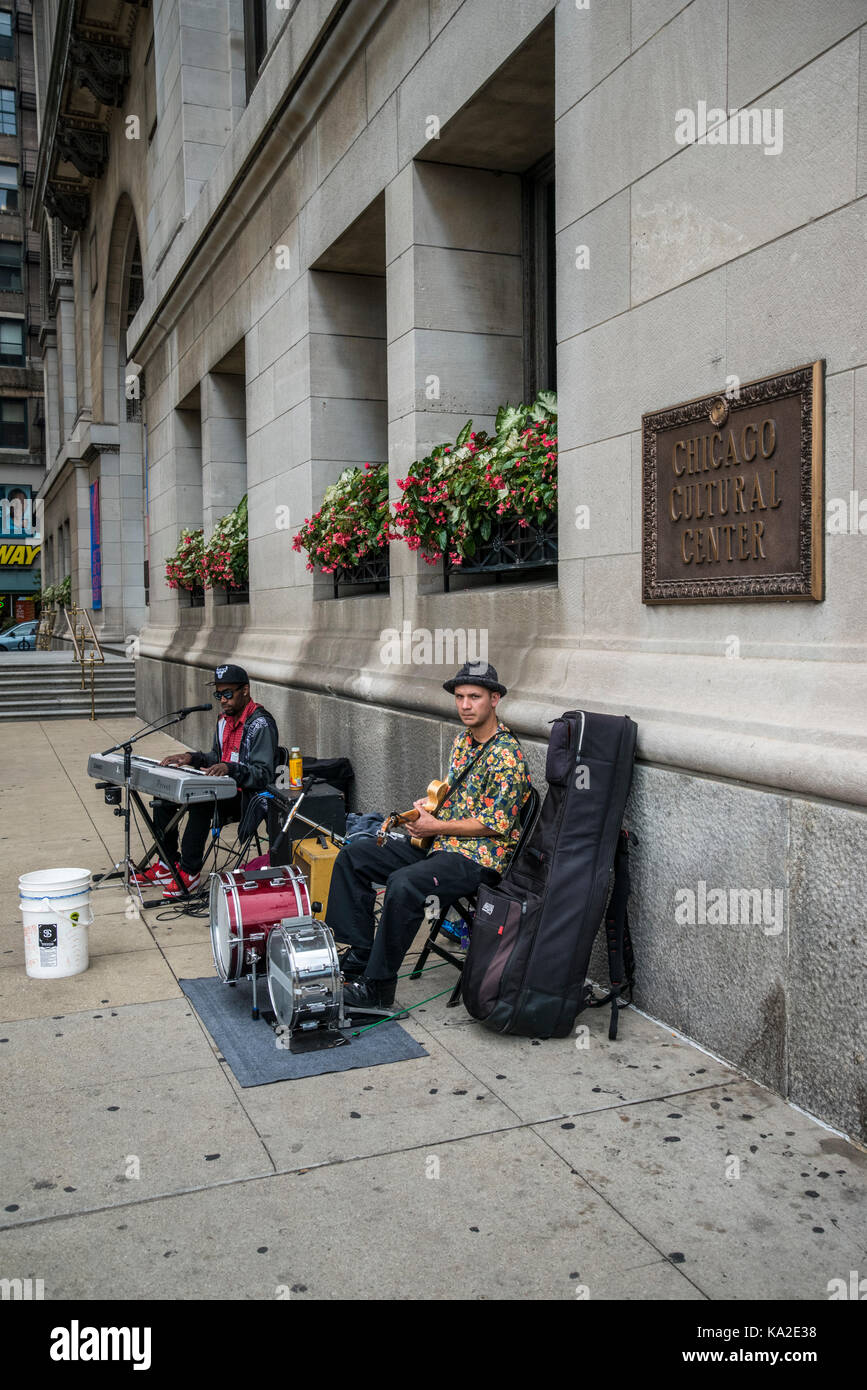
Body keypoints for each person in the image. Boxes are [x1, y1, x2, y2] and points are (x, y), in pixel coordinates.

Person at [328, 662, 531, 1010]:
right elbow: (457, 797)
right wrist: (431, 808)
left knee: (405, 884)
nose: (465, 705)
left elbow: (493, 824)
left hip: (478, 858)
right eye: (460, 697)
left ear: (495, 699)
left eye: (475, 697)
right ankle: (361, 955)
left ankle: (377, 988)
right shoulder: (463, 742)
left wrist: (435, 826)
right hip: (440, 844)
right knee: (354, 855)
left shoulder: (508, 757)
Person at [135, 664, 278, 897]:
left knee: (200, 802)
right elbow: (216, 757)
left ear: (245, 690)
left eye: (228, 693)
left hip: (246, 796)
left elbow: (263, 775)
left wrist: (230, 769)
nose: (223, 700)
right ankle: (166, 864)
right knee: (164, 793)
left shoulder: (261, 724)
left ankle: (190, 873)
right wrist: (191, 758)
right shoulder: (223, 720)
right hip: (222, 788)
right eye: (219, 694)